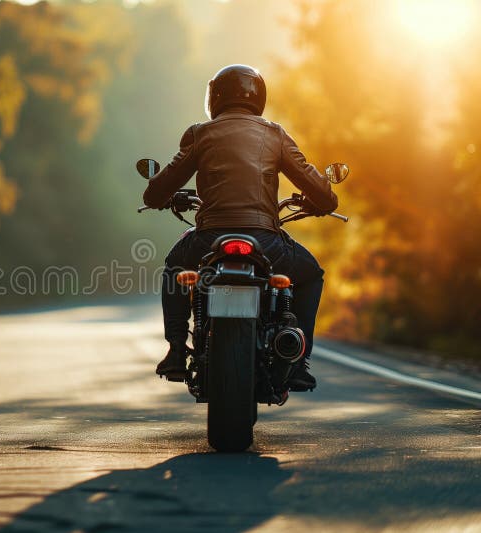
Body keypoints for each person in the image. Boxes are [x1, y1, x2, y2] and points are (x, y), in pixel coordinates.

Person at [143, 64, 337, 392]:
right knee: (310, 274)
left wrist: (165, 197)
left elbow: (155, 192)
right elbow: (321, 193)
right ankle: (299, 361)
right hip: (266, 241)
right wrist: (320, 201)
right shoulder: (274, 134)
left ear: (214, 97)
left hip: (207, 239)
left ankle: (176, 351)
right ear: (259, 97)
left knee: (174, 268)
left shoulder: (199, 134)